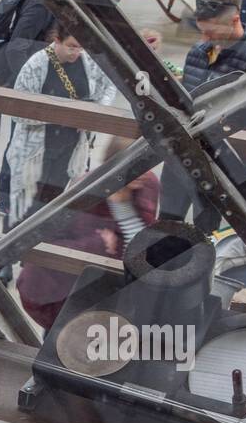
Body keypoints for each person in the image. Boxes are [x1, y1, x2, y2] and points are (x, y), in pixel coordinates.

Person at [163, 0, 246, 216]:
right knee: (168, 223)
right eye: (202, 33)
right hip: (180, 155)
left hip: (216, 164)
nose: (205, 39)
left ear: (235, 20)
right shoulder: (199, 52)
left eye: (211, 32)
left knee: (206, 227)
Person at [17, 140, 161, 330]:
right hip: (77, 303)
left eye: (143, 167)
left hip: (122, 298)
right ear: (115, 169)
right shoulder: (84, 197)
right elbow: (44, 254)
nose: (142, 175)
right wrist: (99, 244)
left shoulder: (146, 185)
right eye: (134, 169)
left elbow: (142, 237)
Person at [6, 26, 118, 225]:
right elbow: (18, 111)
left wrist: (95, 114)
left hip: (70, 148)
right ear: (56, 40)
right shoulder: (36, 65)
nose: (77, 52)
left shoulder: (88, 61)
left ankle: (43, 245)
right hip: (36, 151)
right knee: (25, 207)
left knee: (54, 201)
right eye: (71, 46)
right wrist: (67, 116)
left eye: (81, 47)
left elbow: (109, 85)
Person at [0, 0, 55, 231]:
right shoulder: (41, 2)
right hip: (29, 89)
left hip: (35, 85)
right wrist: (31, 87)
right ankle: (7, 204)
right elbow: (16, 48)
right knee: (19, 144)